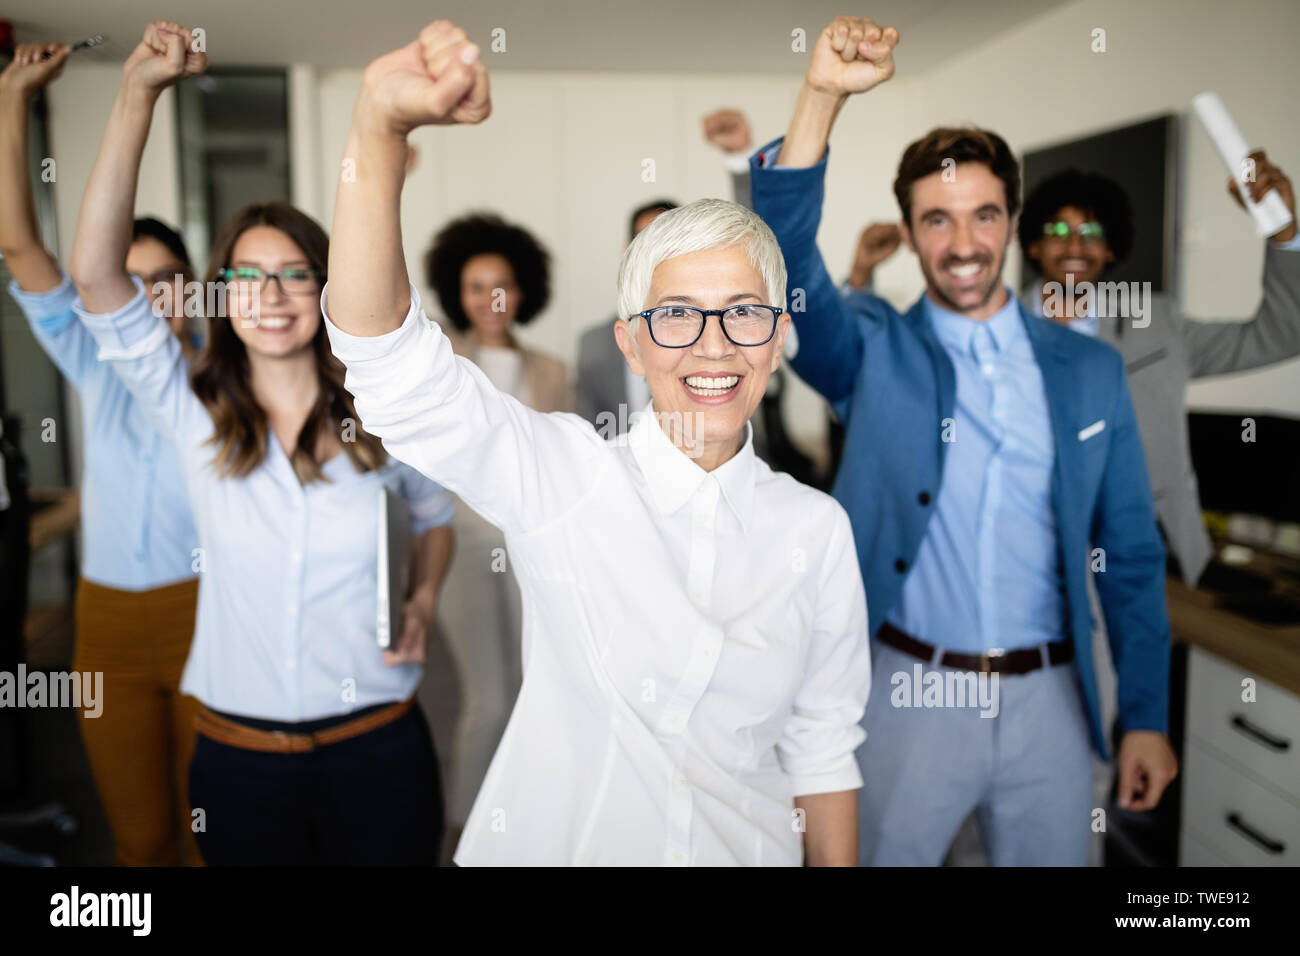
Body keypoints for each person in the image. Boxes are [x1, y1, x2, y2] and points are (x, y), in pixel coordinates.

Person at [322, 20, 871, 866]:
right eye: (678, 316)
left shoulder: (816, 531)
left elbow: (823, 746)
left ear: (775, 337)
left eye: (744, 315)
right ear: (631, 343)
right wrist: (377, 129)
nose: (715, 346)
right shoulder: (568, 474)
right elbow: (388, 364)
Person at [750, 15, 1177, 865]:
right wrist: (820, 99)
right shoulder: (870, 347)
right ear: (908, 235)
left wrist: (1148, 719)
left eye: (983, 215)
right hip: (904, 693)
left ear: (1013, 221)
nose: (963, 244)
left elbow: (1127, 554)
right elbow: (786, 267)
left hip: (1053, 701)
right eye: (936, 221)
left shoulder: (1088, 372)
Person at [66, 21, 456, 865]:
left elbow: (435, 519)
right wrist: (138, 93)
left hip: (378, 747)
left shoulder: (384, 412)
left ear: (325, 287)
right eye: (246, 276)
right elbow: (96, 272)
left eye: (292, 274)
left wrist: (423, 600)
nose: (269, 296)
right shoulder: (190, 408)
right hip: (240, 762)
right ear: (222, 297)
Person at [1, 41, 203, 866]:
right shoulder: (97, 360)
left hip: (210, 616)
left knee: (209, 836)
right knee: (142, 837)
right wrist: (12, 99)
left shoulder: (233, 383)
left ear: (193, 288)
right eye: (133, 279)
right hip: (110, 627)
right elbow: (20, 244)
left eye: (167, 278)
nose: (151, 296)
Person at [1019, 167, 1300, 585]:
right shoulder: (997, 328)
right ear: (1034, 245)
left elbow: (1282, 334)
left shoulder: (1158, 322)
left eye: (1092, 231)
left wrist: (1284, 234)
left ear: (1112, 248)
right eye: (1058, 230)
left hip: (1145, 554)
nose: (1075, 245)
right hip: (1028, 551)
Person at [419, 212, 570, 835]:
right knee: (488, 698)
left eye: (501, 285)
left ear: (523, 291)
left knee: (541, 692)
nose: (490, 299)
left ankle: (529, 828)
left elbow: (566, 464)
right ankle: (466, 833)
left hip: (536, 552)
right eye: (476, 287)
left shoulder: (554, 372)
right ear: (458, 293)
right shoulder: (440, 360)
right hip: (464, 547)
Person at [575, 199, 678, 428]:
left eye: (665, 242)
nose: (654, 254)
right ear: (626, 252)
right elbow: (588, 435)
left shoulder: (711, 336)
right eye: (643, 242)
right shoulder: (592, 345)